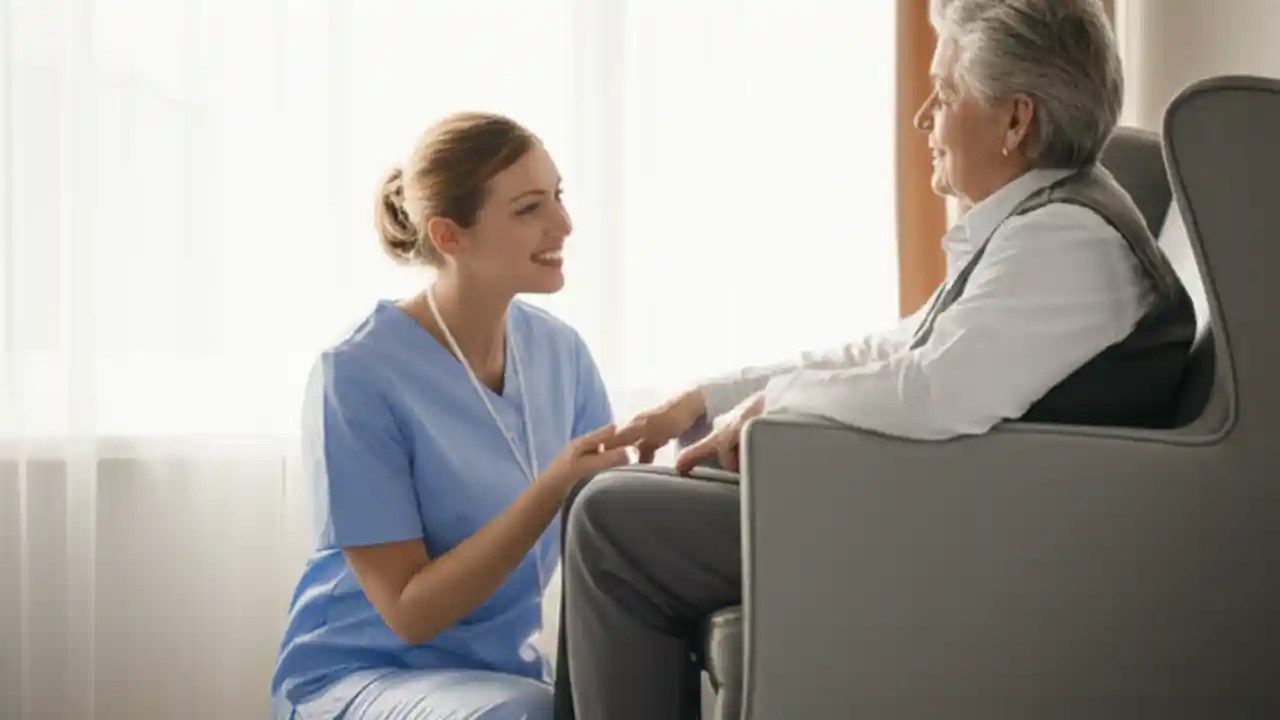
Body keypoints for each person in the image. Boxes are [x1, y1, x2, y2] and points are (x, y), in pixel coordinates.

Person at [554, 0, 1196, 717]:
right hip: (931, 503)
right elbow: (892, 349)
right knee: (595, 499)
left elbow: (931, 393)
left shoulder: (1065, 241)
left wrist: (773, 404)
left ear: (1016, 121)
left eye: (944, 95)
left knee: (611, 520)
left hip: (957, 534)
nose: (923, 118)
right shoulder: (1039, 223)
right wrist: (705, 400)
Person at [270, 112, 627, 720]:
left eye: (558, 196)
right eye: (529, 208)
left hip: (499, 680)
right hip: (361, 675)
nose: (563, 224)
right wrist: (550, 489)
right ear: (449, 236)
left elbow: (606, 539)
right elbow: (410, 614)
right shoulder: (356, 375)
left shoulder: (561, 354)